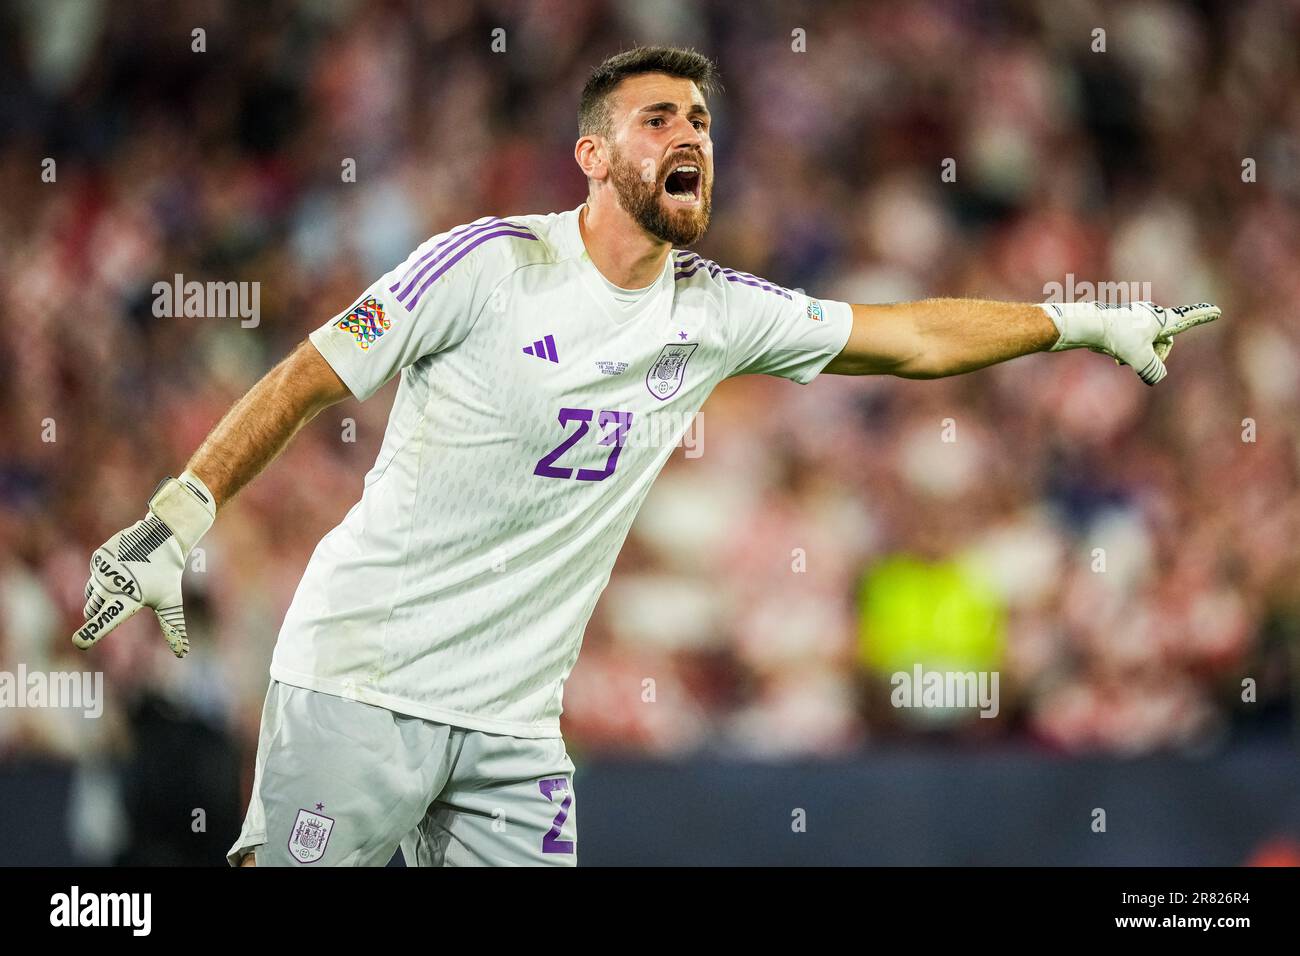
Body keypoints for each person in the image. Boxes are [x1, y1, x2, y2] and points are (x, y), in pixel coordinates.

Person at [70, 45, 1220, 866]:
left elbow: (908, 337)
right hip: (362, 678)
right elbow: (309, 375)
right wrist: (182, 510)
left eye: (703, 124)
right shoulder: (486, 266)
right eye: (660, 118)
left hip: (514, 725)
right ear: (589, 152)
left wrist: (1079, 321)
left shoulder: (715, 310)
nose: (691, 138)